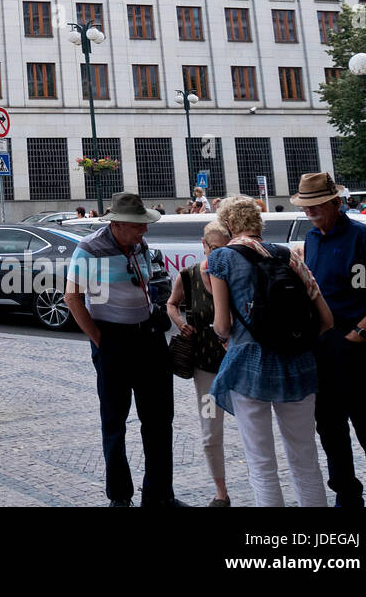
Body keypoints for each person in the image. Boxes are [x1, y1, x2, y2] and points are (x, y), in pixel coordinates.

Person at [207, 195, 332, 507]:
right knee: (305, 458)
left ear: (228, 225)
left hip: (249, 366)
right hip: (298, 365)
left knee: (261, 462)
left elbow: (222, 325)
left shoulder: (221, 258)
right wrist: (293, 341)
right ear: (258, 222)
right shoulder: (288, 255)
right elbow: (327, 320)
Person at [63, 192, 184, 508]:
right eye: (137, 226)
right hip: (114, 341)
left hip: (150, 340)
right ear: (117, 224)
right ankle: (120, 496)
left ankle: (159, 494)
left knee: (159, 420)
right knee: (114, 422)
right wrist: (100, 340)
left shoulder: (138, 245)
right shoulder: (90, 250)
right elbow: (72, 297)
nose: (144, 231)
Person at [295, 172, 366, 507]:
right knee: (329, 427)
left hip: (362, 349)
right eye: (306, 205)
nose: (310, 211)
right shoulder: (312, 239)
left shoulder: (364, 237)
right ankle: (347, 493)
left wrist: (359, 334)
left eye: (316, 205)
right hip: (324, 349)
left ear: (335, 202)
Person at [166, 221, 232, 507]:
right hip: (205, 369)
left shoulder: (235, 273)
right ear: (203, 245)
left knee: (255, 429)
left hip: (238, 368)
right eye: (214, 248)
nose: (219, 254)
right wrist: (180, 323)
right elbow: (172, 304)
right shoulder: (189, 275)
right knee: (210, 431)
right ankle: (221, 493)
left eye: (225, 248)